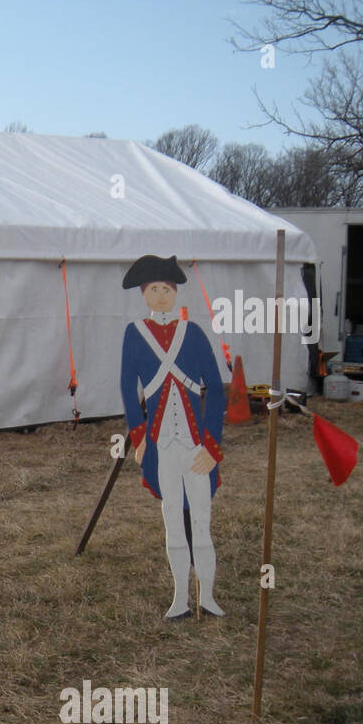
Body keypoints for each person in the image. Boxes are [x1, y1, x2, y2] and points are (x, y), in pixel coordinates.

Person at [119, 254, 227, 620]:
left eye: (167, 289)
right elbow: (126, 385)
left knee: (202, 520)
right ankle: (180, 598)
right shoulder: (134, 334)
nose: (162, 296)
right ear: (143, 294)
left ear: (176, 292)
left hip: (197, 445)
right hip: (161, 446)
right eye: (154, 290)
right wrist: (139, 436)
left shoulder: (193, 333)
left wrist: (212, 446)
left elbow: (216, 388)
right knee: (172, 521)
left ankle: (207, 597)